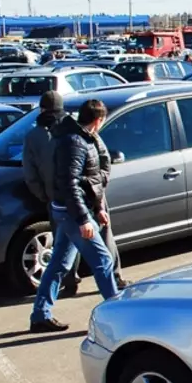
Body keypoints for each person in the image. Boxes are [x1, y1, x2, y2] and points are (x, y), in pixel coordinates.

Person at [27, 99, 120, 333]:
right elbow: (70, 184)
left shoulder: (78, 138)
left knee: (59, 263)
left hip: (72, 210)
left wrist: (97, 208)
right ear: (99, 120)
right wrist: (83, 219)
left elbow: (89, 181)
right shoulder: (74, 142)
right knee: (103, 260)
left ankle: (40, 315)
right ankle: (118, 317)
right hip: (72, 213)